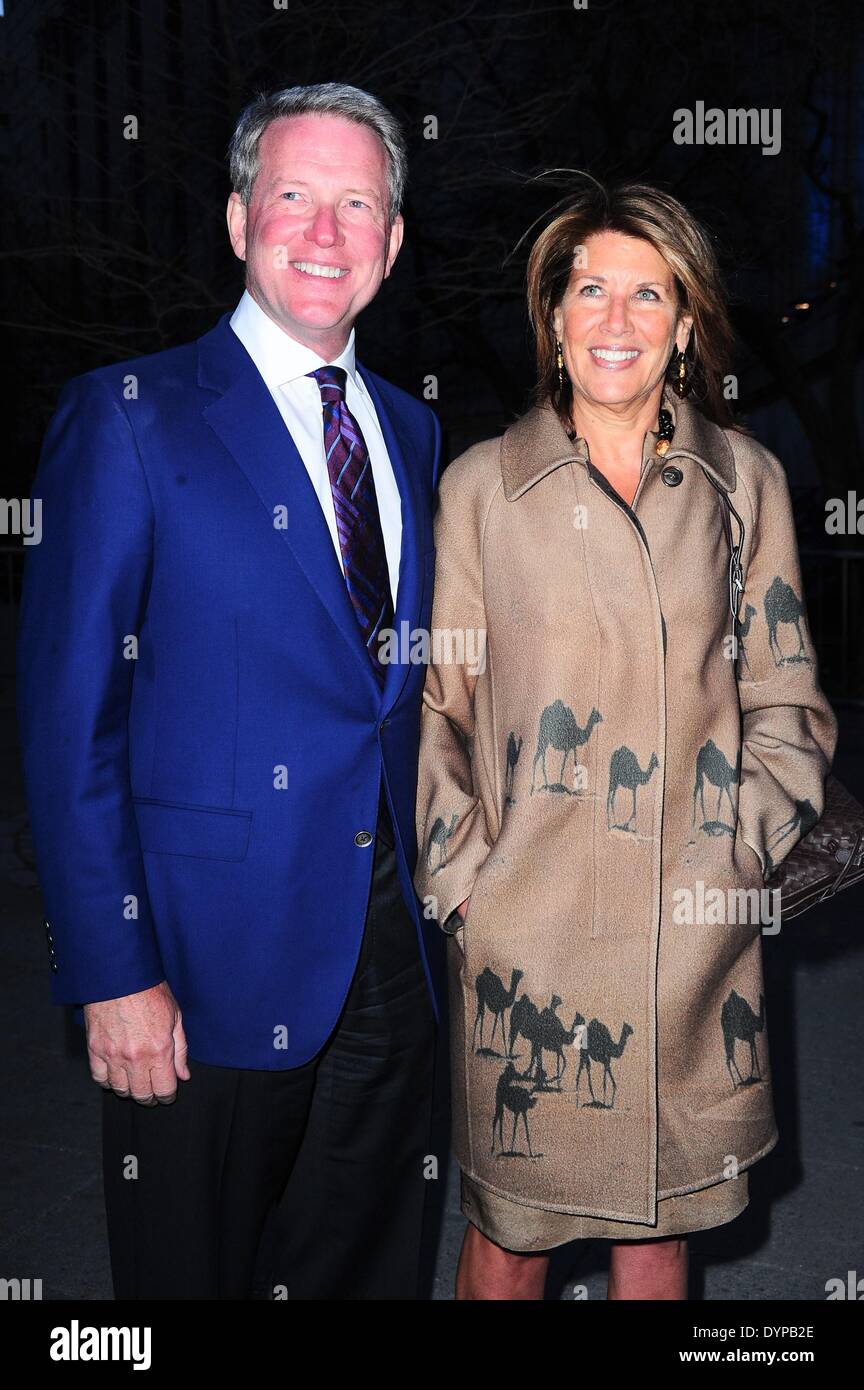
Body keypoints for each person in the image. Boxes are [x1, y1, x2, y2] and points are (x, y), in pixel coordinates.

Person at [17, 82, 442, 1300]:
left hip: (389, 963)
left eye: (357, 203)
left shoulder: (413, 434)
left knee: (360, 1274)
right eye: (293, 197)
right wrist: (110, 967)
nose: (323, 232)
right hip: (197, 977)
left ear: (394, 240)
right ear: (238, 218)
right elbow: (66, 723)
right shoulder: (129, 418)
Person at [413, 179, 838, 1300]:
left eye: (647, 294)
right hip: (528, 944)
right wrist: (467, 892)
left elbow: (787, 700)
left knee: (659, 1236)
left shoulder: (745, 484)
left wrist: (732, 851)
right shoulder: (478, 493)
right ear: (552, 318)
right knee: (507, 1240)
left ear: (686, 325)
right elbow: (436, 706)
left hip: (691, 946)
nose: (616, 318)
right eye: (589, 289)